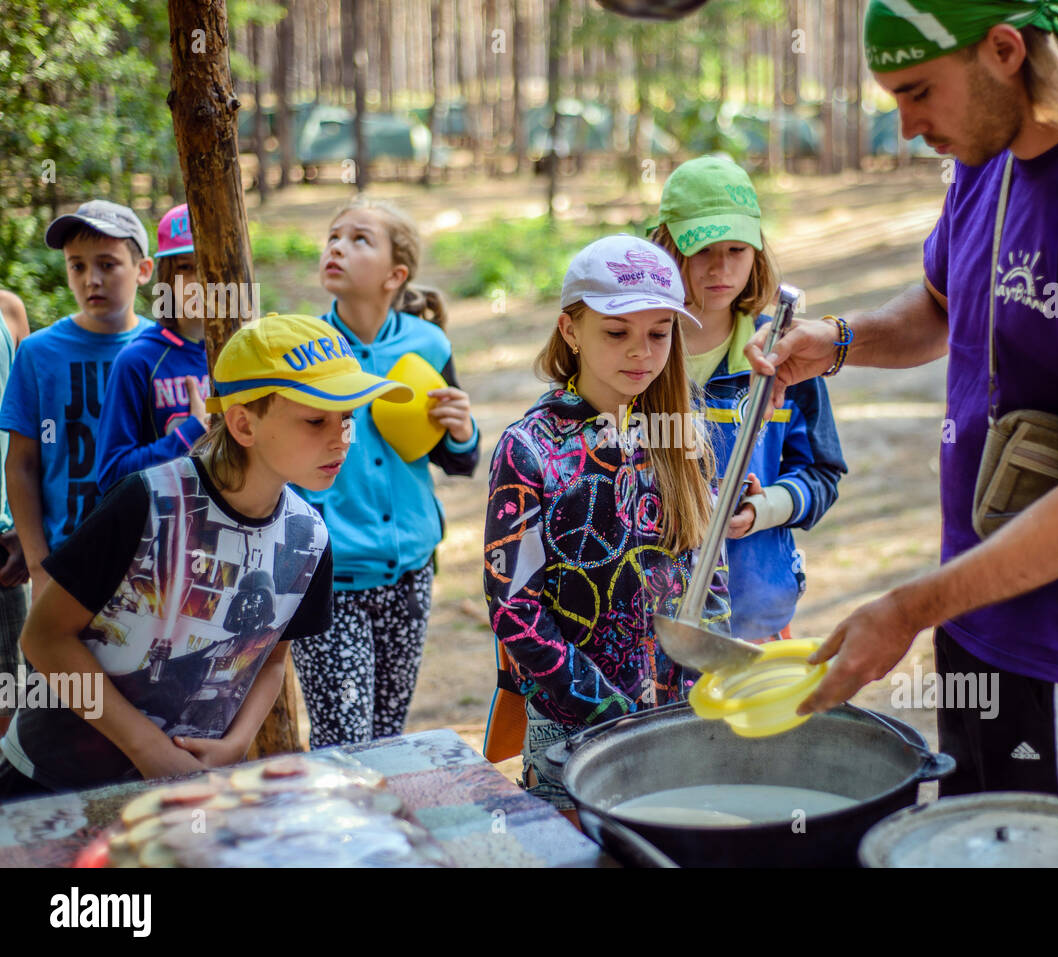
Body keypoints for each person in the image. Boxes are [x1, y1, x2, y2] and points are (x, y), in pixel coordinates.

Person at [748, 0, 1058, 839]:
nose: (906, 126)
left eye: (920, 92)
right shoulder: (985, 162)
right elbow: (941, 306)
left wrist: (904, 609)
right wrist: (839, 341)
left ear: (1004, 50)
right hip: (976, 612)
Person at [0, 313, 413, 799]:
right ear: (243, 423)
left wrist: (236, 744)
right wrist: (146, 748)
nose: (341, 437)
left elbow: (273, 660)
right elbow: (44, 639)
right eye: (315, 419)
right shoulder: (145, 501)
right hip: (50, 781)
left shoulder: (311, 539)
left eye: (347, 418)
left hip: (182, 792)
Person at [484, 235, 729, 814]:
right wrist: (608, 716)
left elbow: (710, 577)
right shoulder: (530, 450)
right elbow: (514, 607)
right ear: (570, 330)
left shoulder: (683, 435)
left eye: (658, 333)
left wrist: (702, 690)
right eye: (616, 333)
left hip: (680, 721)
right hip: (572, 737)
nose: (640, 353)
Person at [292, 197, 480, 749]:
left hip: (411, 574)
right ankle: (343, 834)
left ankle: (376, 833)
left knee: (386, 737)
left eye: (358, 239)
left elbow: (455, 459)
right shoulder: (305, 348)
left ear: (395, 275)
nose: (337, 247)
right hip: (330, 577)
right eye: (333, 236)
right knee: (342, 742)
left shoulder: (429, 344)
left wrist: (462, 429)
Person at [650, 155, 846, 641]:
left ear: (757, 252)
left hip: (751, 624)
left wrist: (766, 509)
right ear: (666, 247)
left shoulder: (784, 353)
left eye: (736, 249)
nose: (720, 268)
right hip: (649, 627)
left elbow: (823, 473)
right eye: (702, 249)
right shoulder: (639, 354)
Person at [0, 201, 156, 604]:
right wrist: (39, 566)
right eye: (77, 266)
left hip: (153, 567)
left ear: (143, 271)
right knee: (60, 668)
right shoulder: (38, 353)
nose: (92, 280)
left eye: (107, 264)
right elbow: (22, 464)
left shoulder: (164, 352)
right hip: (65, 569)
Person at [97, 203, 212, 492]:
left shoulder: (242, 353)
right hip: (161, 529)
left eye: (209, 263)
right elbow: (111, 474)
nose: (199, 281)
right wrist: (190, 433)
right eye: (186, 268)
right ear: (167, 278)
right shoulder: (138, 360)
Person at [0, 290, 31, 736]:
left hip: (2, 547)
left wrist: (26, 528)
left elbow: (30, 441)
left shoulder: (9, 310)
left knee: (11, 701)